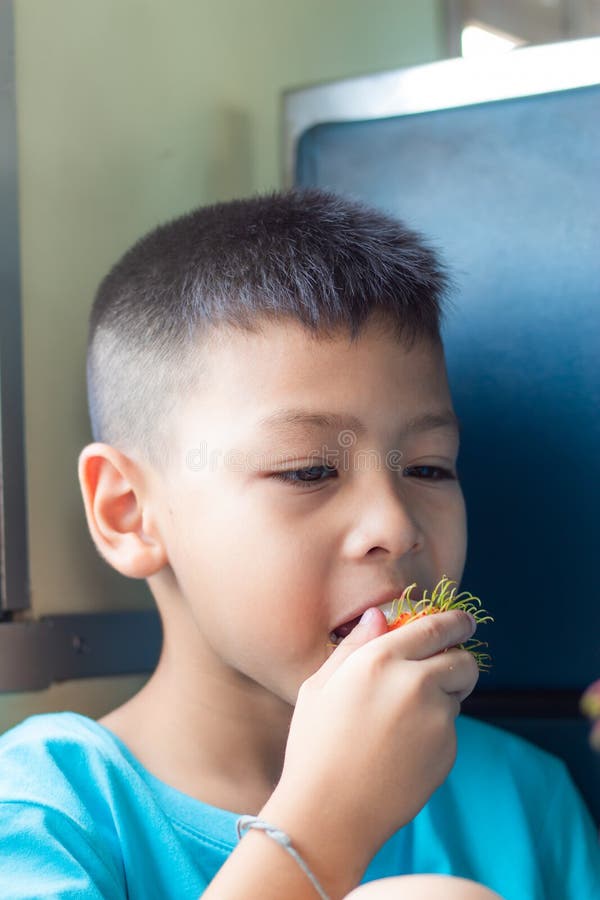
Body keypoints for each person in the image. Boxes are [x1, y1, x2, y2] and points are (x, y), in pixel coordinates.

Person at [0, 190, 598, 900]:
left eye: (429, 467)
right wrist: (321, 831)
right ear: (129, 512)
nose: (397, 527)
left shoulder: (524, 800)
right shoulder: (45, 812)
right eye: (308, 470)